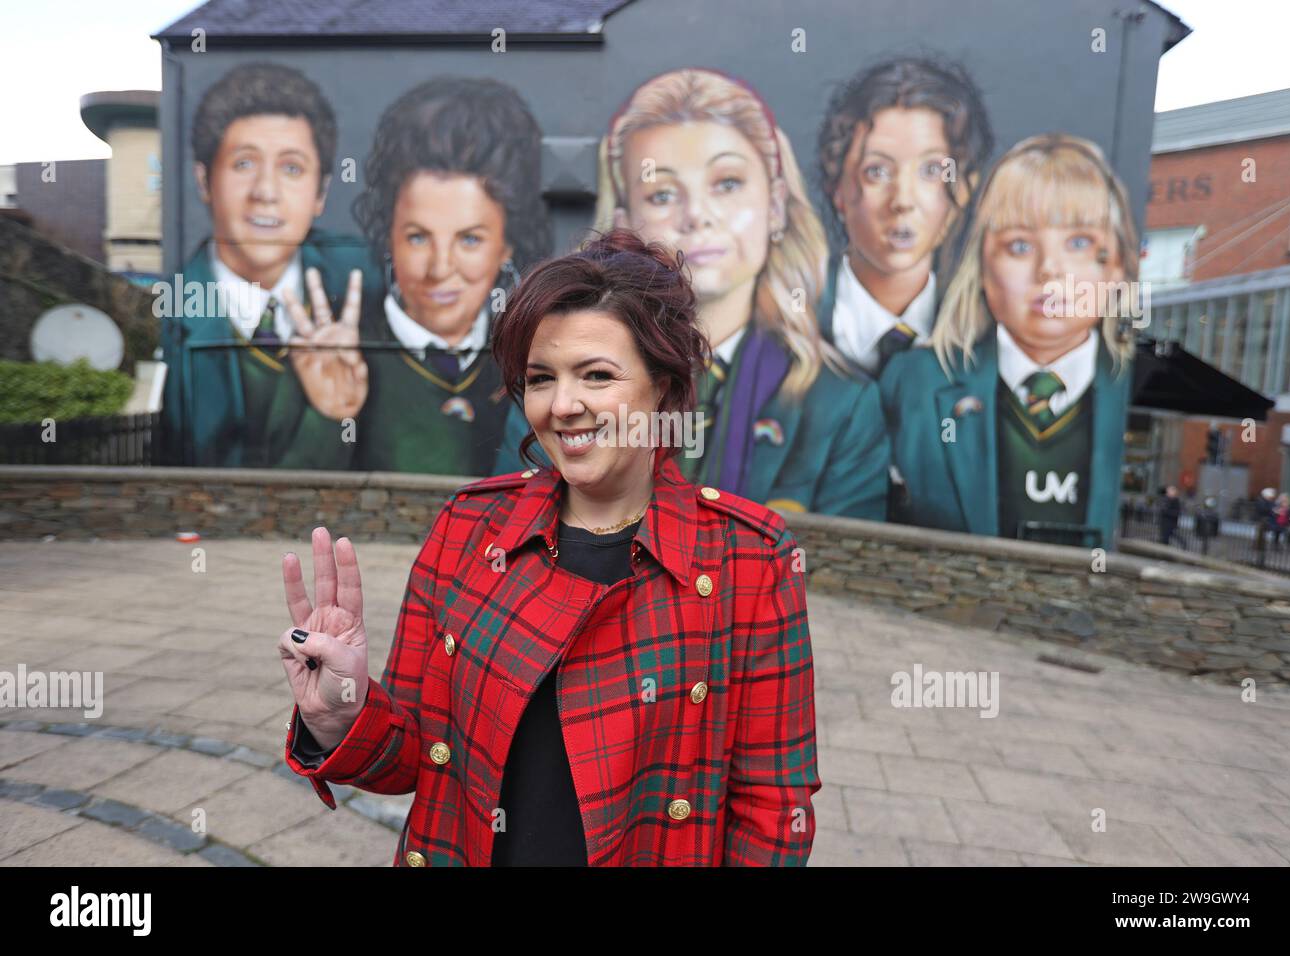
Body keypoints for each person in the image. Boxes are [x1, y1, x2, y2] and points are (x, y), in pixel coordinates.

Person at [278, 230, 820, 866]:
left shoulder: (749, 560)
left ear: (664, 391)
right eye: (541, 378)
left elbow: (772, 808)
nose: (564, 405)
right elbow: (413, 756)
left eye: (597, 375)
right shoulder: (467, 528)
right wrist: (343, 709)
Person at [494, 67, 890, 519]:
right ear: (623, 221)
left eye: (727, 184)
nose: (696, 215)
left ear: (776, 205)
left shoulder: (842, 405)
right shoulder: (553, 385)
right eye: (662, 193)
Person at [879, 134, 1138, 549]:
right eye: (1019, 245)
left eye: (1079, 243)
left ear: (1118, 266)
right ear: (982, 266)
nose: (1049, 269)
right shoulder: (914, 383)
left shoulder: (1131, 386)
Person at [161, 63, 374, 468]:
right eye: (243, 163)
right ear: (204, 180)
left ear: (321, 193)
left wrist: (335, 414)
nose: (265, 192)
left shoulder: (370, 280)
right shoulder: (168, 313)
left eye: (291, 168)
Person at [349, 77, 551, 476]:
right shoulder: (331, 349)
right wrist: (326, 415)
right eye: (418, 237)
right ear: (388, 234)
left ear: (506, 245)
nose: (440, 269)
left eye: (470, 239)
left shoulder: (536, 357)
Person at [814, 57, 992, 379]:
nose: (903, 201)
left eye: (931, 171)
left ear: (964, 188)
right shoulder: (786, 321)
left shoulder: (986, 335)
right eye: (876, 171)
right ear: (836, 187)